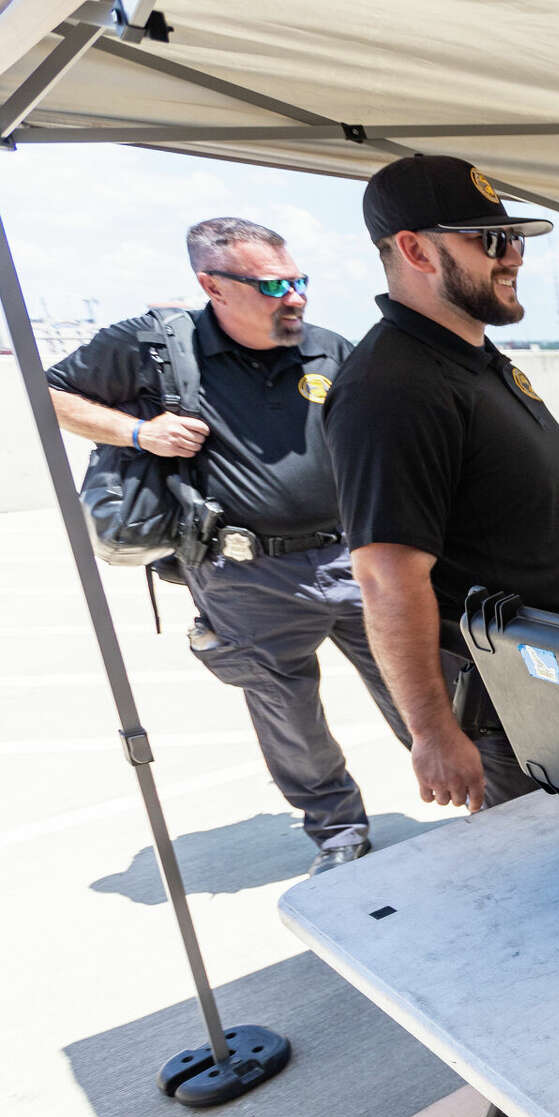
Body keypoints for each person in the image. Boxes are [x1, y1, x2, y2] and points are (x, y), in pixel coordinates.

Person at [48, 218, 409, 876]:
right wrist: (138, 433)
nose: (294, 296)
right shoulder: (151, 347)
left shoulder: (331, 349)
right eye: (273, 284)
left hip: (358, 558)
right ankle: (337, 829)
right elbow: (48, 395)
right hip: (246, 574)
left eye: (299, 280)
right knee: (286, 708)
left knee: (418, 681)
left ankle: (481, 793)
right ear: (211, 284)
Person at [323, 154, 559, 813]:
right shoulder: (392, 386)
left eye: (514, 237)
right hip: (517, 704)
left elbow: (474, 496)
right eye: (489, 240)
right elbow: (386, 576)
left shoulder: (472, 357)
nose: (514, 255)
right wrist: (433, 731)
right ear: (415, 249)